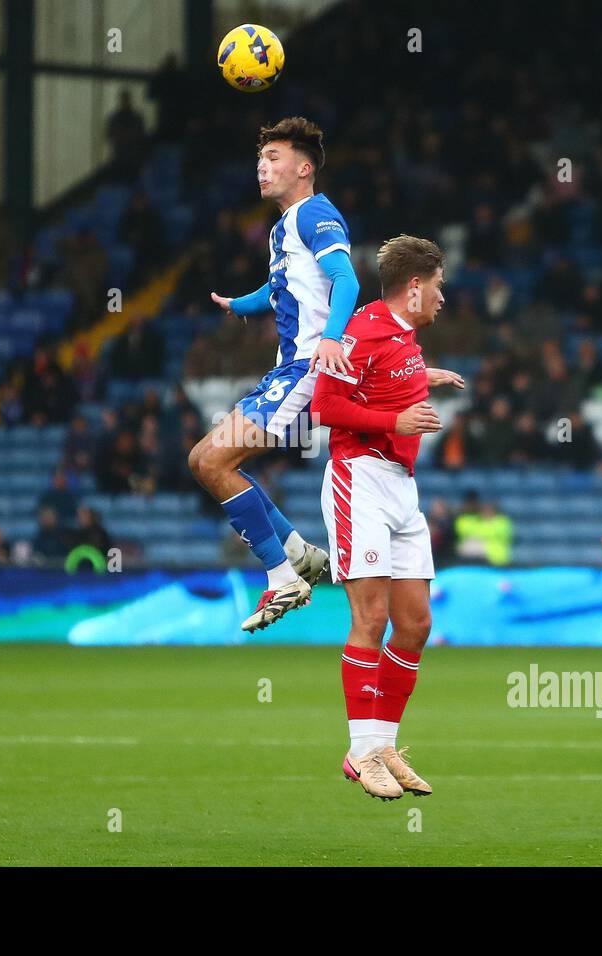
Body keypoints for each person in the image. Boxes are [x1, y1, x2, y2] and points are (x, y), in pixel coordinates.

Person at [187, 117, 361, 632]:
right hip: (285, 370)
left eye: (275, 159)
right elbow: (281, 287)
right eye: (260, 160)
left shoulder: (316, 214)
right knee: (202, 459)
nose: (262, 168)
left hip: (307, 369)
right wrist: (240, 302)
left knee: (216, 460)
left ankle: (283, 575)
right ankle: (297, 551)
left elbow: (346, 281)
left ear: (304, 169)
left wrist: (330, 339)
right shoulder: (283, 227)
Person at [311, 235, 465, 800]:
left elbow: (389, 375)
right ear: (416, 287)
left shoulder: (404, 337)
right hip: (360, 477)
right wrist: (395, 422)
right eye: (440, 287)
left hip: (402, 488)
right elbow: (326, 404)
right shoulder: (362, 328)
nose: (443, 299)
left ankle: (385, 744)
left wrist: (429, 377)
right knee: (371, 618)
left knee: (417, 624)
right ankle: (360, 751)